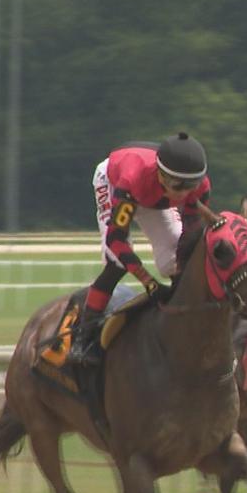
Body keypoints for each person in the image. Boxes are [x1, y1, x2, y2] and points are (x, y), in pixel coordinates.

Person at [67, 132, 211, 366]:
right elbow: (117, 240)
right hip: (115, 183)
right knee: (116, 261)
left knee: (175, 258)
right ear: (162, 175)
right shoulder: (132, 179)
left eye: (191, 185)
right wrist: (148, 282)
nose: (185, 193)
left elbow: (190, 238)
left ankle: (179, 321)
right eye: (178, 185)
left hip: (153, 193)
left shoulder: (200, 187)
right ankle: (84, 338)